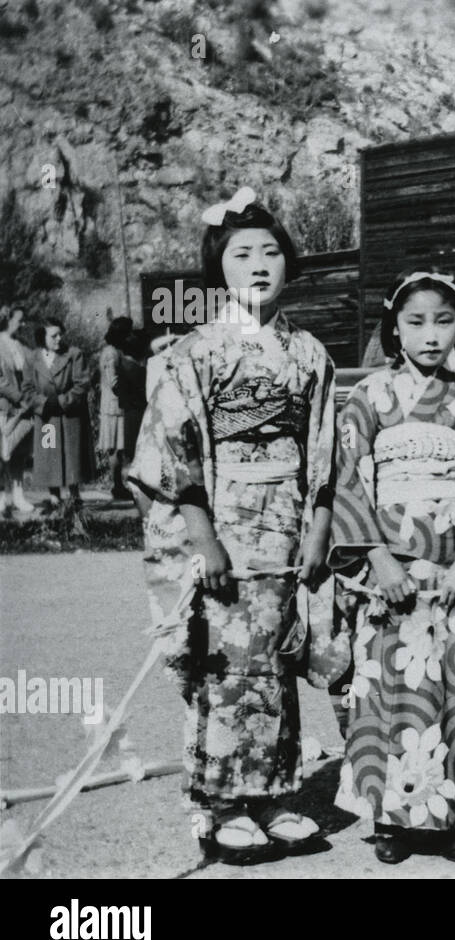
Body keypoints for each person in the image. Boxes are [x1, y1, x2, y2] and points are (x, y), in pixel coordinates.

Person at [128, 187, 336, 863]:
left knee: (273, 656)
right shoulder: (193, 353)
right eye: (242, 252)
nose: (258, 264)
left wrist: (318, 527)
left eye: (270, 251)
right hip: (220, 523)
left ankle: (272, 793)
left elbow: (324, 452)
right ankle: (220, 803)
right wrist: (203, 536)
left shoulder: (309, 354)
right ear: (218, 265)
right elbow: (171, 451)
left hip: (285, 521)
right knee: (224, 663)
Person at [330, 270, 455, 865]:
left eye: (444, 320)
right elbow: (349, 479)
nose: (431, 335)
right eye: (415, 322)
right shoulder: (369, 397)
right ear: (393, 329)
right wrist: (378, 559)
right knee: (386, 690)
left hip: (452, 568)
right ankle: (388, 818)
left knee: (453, 688)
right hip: (391, 570)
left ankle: (448, 818)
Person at [31, 319, 95, 511]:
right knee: (49, 453)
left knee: (71, 454)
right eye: (54, 335)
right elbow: (26, 388)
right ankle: (54, 498)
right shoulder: (33, 357)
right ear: (43, 337)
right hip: (46, 417)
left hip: (69, 415)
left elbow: (82, 384)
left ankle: (75, 496)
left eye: (60, 334)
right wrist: (42, 403)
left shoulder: (73, 354)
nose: (59, 339)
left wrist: (60, 401)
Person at [99, 316, 141, 500]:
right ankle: (117, 486)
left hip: (116, 405)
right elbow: (113, 381)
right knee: (116, 448)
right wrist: (131, 395)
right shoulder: (111, 353)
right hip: (114, 406)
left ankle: (118, 485)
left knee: (119, 448)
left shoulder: (114, 351)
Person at [0, 304, 37, 515]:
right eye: (19, 320)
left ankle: (18, 494)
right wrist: (19, 397)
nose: (23, 324)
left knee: (20, 453)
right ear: (7, 319)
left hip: (24, 408)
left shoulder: (22, 345)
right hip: (5, 406)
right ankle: (2, 497)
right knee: (3, 452)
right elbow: (1, 381)